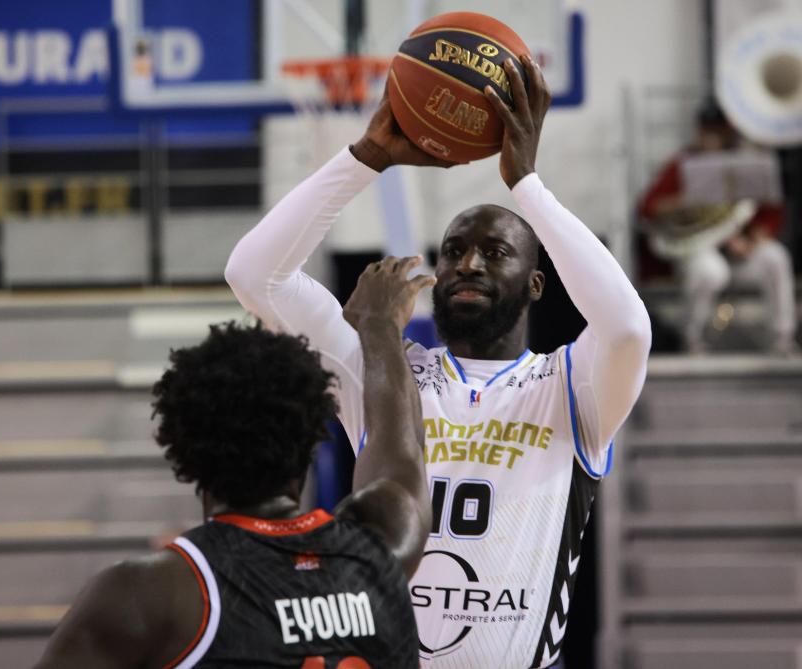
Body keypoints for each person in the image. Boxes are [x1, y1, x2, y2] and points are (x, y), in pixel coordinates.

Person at [0, 258, 436, 669]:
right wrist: (376, 327)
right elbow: (398, 452)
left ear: (184, 452)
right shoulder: (380, 546)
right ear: (313, 431)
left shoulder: (154, 594)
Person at [226, 56, 650, 668]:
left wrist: (527, 185)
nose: (468, 264)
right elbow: (253, 274)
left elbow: (629, 327)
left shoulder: (571, 386)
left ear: (536, 285)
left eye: (494, 251)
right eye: (454, 250)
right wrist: (364, 158)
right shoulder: (381, 371)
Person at [638, 105, 796, 355]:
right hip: (701, 247)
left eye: (717, 131)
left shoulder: (748, 165)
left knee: (776, 257)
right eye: (706, 130)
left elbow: (771, 213)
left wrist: (752, 240)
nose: (711, 136)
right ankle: (691, 339)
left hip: (741, 250)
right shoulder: (683, 163)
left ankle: (782, 338)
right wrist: (684, 201)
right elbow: (647, 208)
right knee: (710, 272)